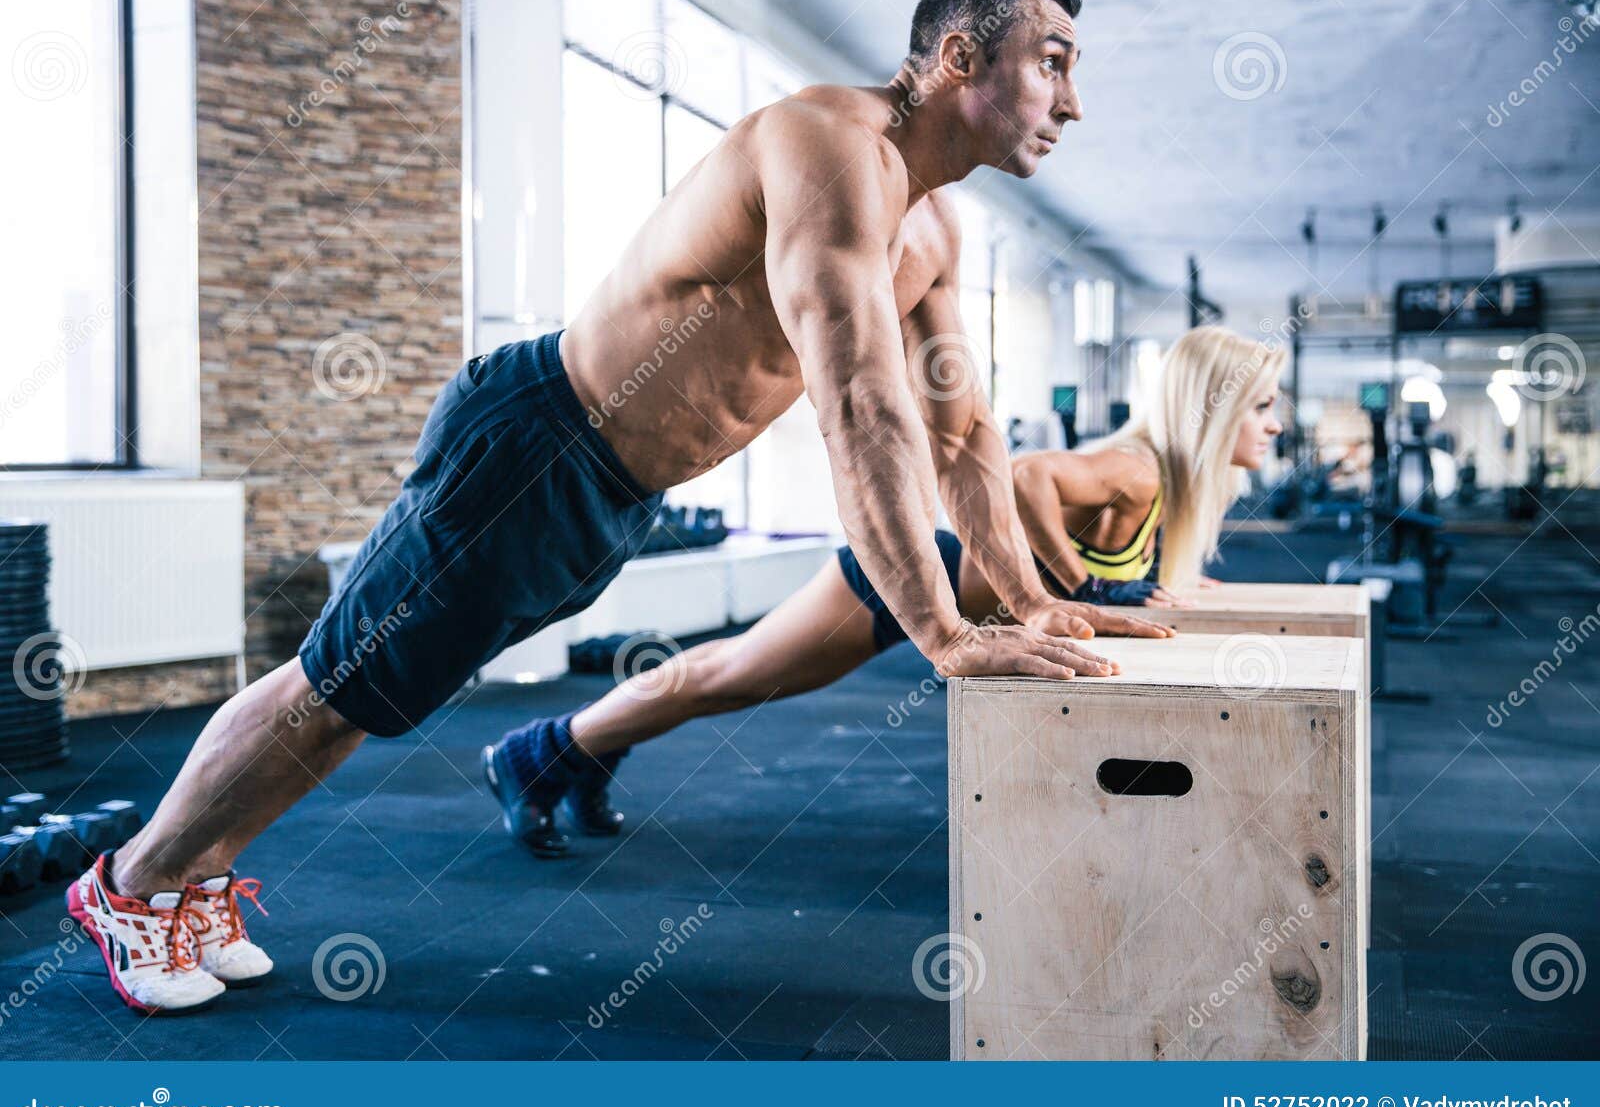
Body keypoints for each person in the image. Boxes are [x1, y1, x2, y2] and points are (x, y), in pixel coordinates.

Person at [70, 0, 1176, 1014]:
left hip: (610, 493)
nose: (1069, 100)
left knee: (375, 695)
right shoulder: (829, 144)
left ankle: (194, 875)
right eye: (1054, 60)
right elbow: (861, 404)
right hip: (540, 444)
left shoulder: (934, 223)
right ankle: (129, 886)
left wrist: (1027, 597)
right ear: (958, 56)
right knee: (335, 685)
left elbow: (963, 426)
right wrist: (940, 630)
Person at [487, 325, 1285, 854]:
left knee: (730, 685)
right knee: (729, 675)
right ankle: (535, 752)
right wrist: (1071, 587)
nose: (1275, 423)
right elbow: (1031, 475)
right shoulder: (1139, 468)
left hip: (944, 599)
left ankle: (591, 748)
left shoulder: (1164, 488)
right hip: (902, 578)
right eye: (1262, 406)